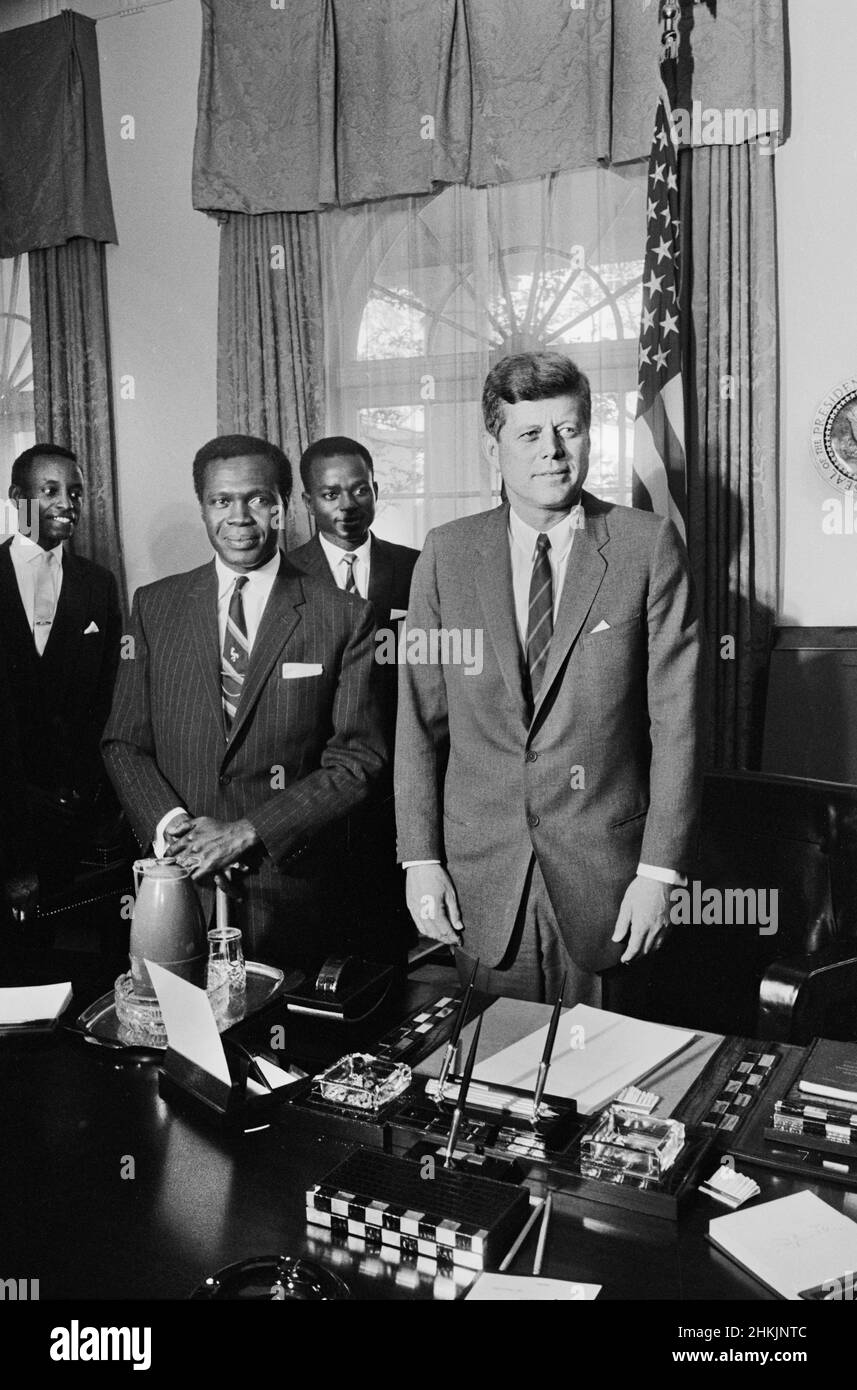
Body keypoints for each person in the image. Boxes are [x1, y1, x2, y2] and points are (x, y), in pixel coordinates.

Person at [395, 352, 704, 1010]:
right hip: (482, 882)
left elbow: (676, 727)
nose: (552, 452)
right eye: (529, 434)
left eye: (569, 430)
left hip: (608, 882)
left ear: (589, 435)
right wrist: (419, 860)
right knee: (496, 1086)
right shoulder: (445, 556)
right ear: (494, 445)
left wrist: (658, 872)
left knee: (607, 1089)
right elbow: (419, 725)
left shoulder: (643, 547)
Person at [102, 434, 387, 972]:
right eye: (221, 501)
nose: (239, 517)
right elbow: (124, 741)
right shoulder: (155, 606)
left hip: (288, 894)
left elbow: (356, 761)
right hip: (176, 890)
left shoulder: (343, 615)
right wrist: (177, 833)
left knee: (285, 1052)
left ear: (283, 507)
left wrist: (245, 833)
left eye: (257, 499)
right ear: (203, 509)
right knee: (177, 1048)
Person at [290, 436, 419, 960]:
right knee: (315, 942)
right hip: (311, 786)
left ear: (376, 490)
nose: (347, 506)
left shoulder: (417, 568)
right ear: (306, 502)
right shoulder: (284, 576)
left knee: (387, 939)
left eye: (359, 490)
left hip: (397, 784)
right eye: (330, 494)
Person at [0, 444, 123, 911]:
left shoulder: (98, 583)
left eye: (74, 492)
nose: (67, 504)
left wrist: (88, 792)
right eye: (49, 491)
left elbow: (110, 694)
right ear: (17, 497)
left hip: (76, 809)